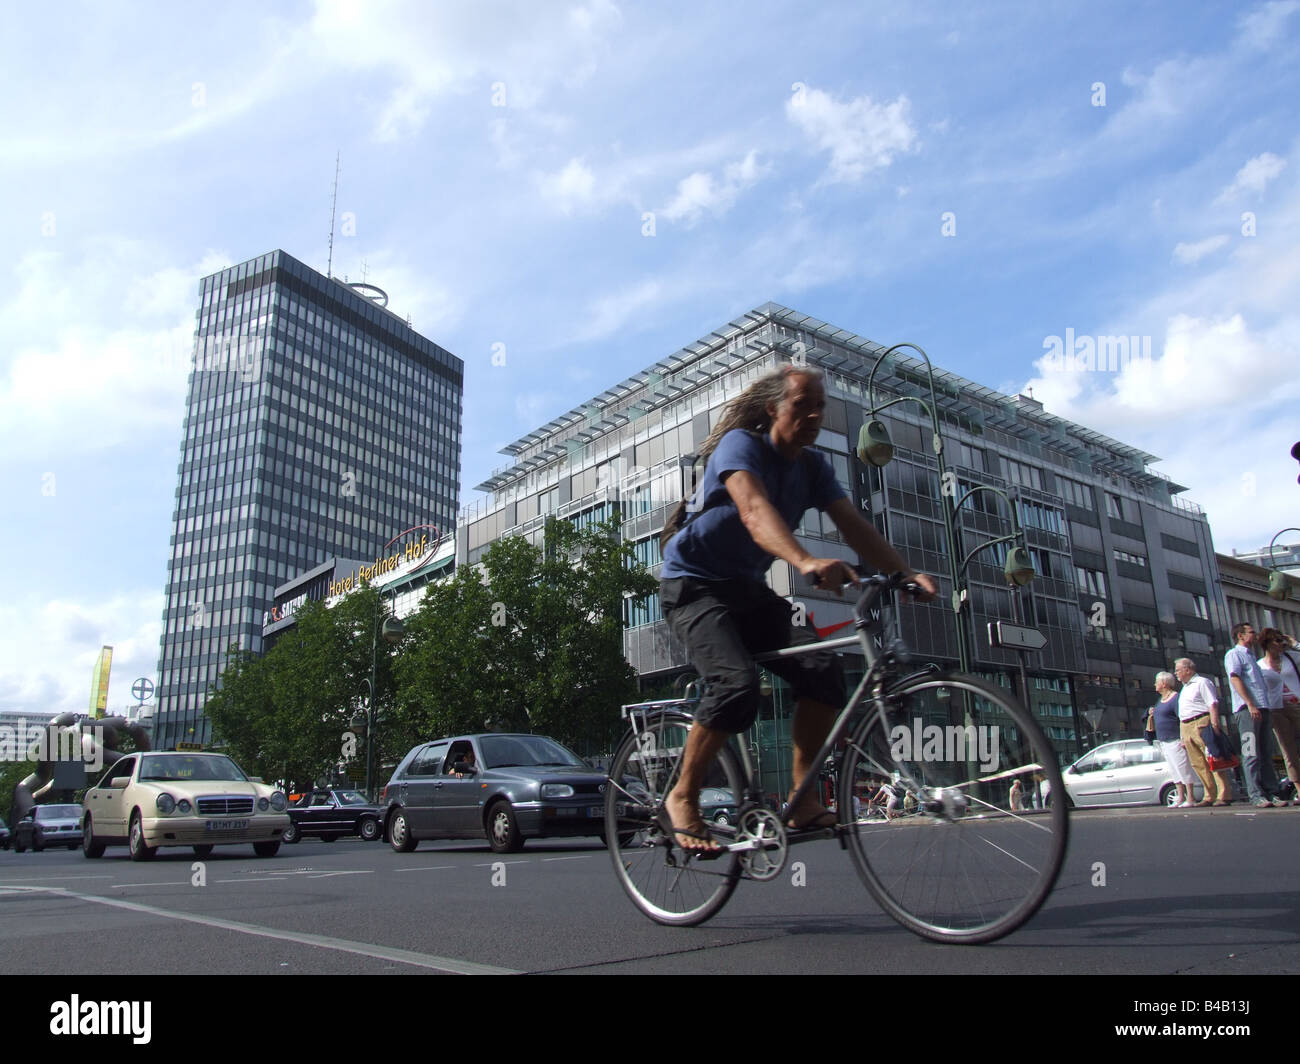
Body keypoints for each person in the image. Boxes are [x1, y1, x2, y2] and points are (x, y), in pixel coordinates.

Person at [658, 365, 939, 851]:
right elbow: (753, 511)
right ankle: (683, 796)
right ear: (774, 409)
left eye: (820, 406)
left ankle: (802, 800)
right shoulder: (742, 446)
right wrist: (804, 559)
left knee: (824, 670)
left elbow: (854, 527)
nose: (813, 414)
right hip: (693, 585)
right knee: (735, 684)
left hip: (746, 590)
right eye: (801, 404)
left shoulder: (812, 468)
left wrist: (903, 572)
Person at [1224, 623, 1287, 808]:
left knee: (1266, 752)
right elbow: (1234, 678)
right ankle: (1256, 794)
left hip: (1263, 708)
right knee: (1251, 752)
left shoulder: (1252, 657)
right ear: (1241, 636)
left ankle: (1272, 792)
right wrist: (1250, 704)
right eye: (1251, 632)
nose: (1255, 634)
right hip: (1247, 710)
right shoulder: (1234, 654)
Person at [1173, 657, 1233, 806]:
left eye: (1178, 670)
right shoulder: (1185, 687)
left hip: (1201, 722)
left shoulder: (1202, 682)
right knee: (1198, 763)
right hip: (1186, 726)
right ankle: (1209, 795)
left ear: (1188, 669)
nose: (1176, 673)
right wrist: (1182, 736)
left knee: (1213, 759)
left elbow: (1212, 703)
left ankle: (1224, 794)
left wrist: (1214, 725)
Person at [1259, 627, 1300, 804]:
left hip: (1296, 703)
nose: (1280, 644)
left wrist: (1295, 644)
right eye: (1276, 640)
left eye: (1281, 640)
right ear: (1267, 644)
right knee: (1288, 750)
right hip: (1276, 709)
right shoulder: (1259, 665)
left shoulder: (1291, 657)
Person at [1147, 671, 1197, 807]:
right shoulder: (1160, 700)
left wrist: (1183, 737)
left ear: (1164, 683)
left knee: (1182, 768)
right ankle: (1180, 797)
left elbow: (1181, 717)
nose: (1155, 685)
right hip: (1164, 740)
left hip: (1175, 738)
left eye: (1157, 682)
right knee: (1174, 770)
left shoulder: (1176, 699)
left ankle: (1191, 797)